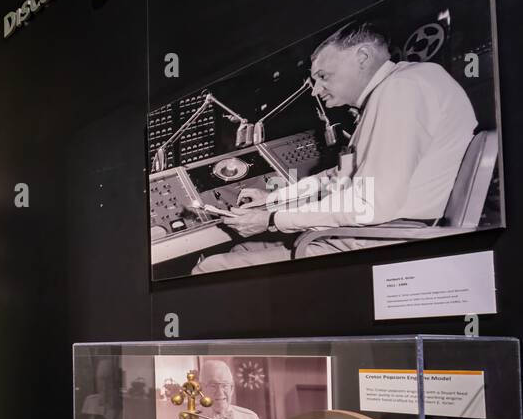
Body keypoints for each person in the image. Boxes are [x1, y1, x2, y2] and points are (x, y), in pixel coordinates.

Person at [192, 22, 478, 274]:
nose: (316, 89)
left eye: (323, 76)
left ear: (362, 57)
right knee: (239, 253)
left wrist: (271, 218)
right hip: (380, 231)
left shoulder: (401, 90)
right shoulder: (408, 83)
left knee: (209, 267)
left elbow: (369, 204)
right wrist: (273, 198)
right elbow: (340, 178)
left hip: (381, 241)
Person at [196, 359, 265, 419]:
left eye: (225, 385)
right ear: (201, 388)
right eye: (213, 386)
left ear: (232, 388)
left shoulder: (251, 418)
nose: (220, 393)